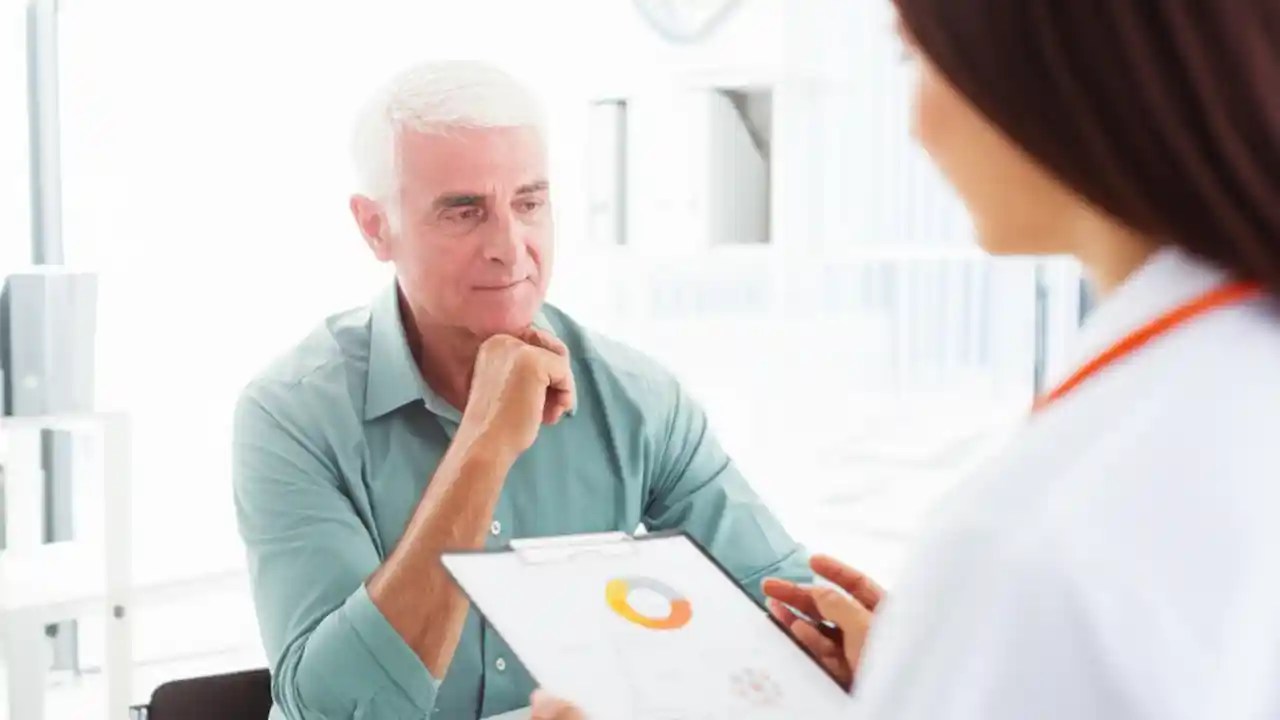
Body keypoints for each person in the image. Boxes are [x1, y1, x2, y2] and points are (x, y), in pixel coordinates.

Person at [532, 1, 1280, 718]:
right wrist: (934, 669)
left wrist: (961, 649)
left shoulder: (1034, 542)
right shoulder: (1226, 382)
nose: (914, 128)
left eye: (912, 57)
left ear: (1046, 71)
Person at [231, 61, 810, 720]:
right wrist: (484, 446)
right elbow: (337, 710)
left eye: (529, 203)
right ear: (375, 228)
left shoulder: (638, 399)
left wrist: (862, 642)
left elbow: (787, 620)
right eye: (464, 211)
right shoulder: (291, 415)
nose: (511, 246)